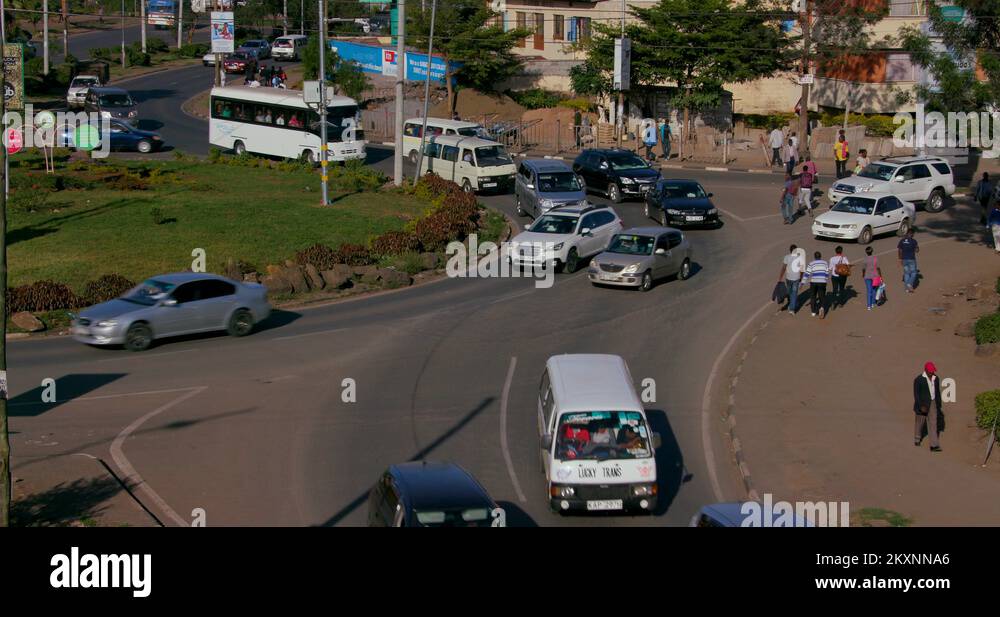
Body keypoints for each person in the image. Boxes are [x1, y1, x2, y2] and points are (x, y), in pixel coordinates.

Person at [913, 362, 942, 452]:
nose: (932, 373)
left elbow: (937, 392)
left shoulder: (936, 379)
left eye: (933, 371)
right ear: (925, 370)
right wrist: (920, 406)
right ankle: (917, 439)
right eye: (930, 371)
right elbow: (916, 395)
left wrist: (938, 404)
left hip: (932, 403)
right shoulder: (919, 380)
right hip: (922, 404)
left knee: (933, 423)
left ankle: (933, 445)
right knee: (920, 423)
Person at [778, 244, 805, 314]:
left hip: (788, 278)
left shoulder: (786, 257)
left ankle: (791, 305)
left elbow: (784, 267)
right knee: (794, 293)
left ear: (790, 250)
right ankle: (792, 309)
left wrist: (780, 277)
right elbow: (802, 270)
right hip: (796, 278)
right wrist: (801, 278)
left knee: (790, 292)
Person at [805, 251, 830, 318]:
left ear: (814, 257)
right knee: (822, 296)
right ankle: (821, 307)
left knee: (813, 297)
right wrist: (825, 279)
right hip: (822, 282)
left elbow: (807, 273)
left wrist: (802, 282)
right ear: (820, 256)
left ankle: (813, 312)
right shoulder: (825, 263)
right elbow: (827, 273)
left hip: (813, 282)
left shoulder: (811, 263)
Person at [897, 228, 919, 293]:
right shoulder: (914, 241)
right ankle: (909, 284)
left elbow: (900, 250)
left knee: (906, 273)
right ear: (911, 234)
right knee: (914, 273)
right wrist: (916, 248)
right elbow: (917, 251)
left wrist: (900, 259)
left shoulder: (902, 241)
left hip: (904, 259)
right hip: (911, 259)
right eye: (913, 234)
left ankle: (907, 289)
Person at [861, 245, 881, 310]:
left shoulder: (864, 259)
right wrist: (880, 276)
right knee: (874, 289)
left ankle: (868, 306)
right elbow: (878, 268)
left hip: (867, 276)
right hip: (875, 276)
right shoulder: (875, 258)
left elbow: (863, 269)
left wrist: (863, 274)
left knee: (869, 291)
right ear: (872, 251)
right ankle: (873, 303)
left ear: (866, 252)